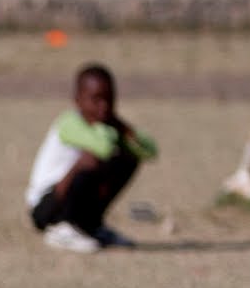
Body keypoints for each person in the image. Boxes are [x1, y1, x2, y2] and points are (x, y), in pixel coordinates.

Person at [24, 63, 158, 254]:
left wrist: (124, 128)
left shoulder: (105, 125)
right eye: (95, 100)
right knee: (91, 161)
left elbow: (150, 151)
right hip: (46, 208)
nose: (103, 107)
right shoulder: (69, 123)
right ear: (78, 100)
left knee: (128, 159)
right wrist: (114, 124)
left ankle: (91, 226)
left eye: (109, 99)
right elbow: (103, 147)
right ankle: (63, 229)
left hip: (72, 198)